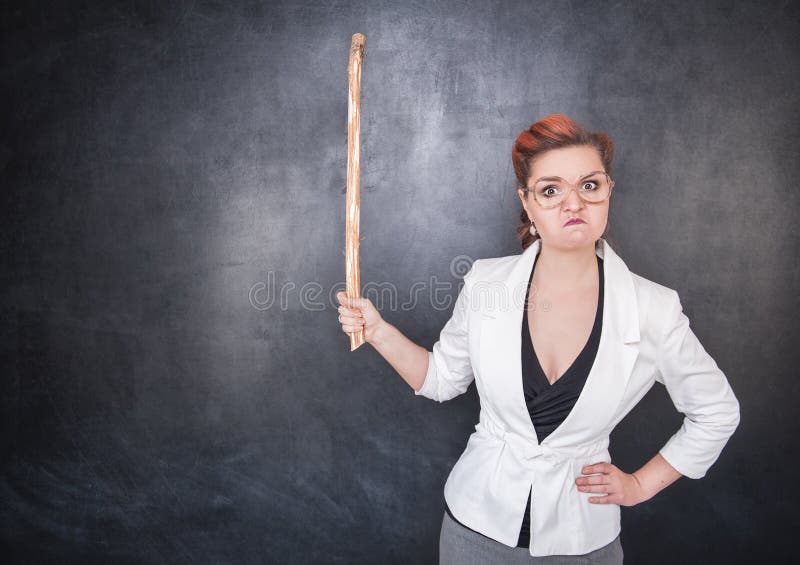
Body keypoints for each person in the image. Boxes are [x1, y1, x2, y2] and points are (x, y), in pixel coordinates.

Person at [335, 114, 740, 564]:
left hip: (584, 542)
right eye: (550, 190)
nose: (574, 204)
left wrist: (641, 484)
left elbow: (717, 411)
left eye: (589, 186)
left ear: (608, 192)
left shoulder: (654, 309)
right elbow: (442, 379)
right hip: (475, 534)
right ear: (526, 202)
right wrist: (377, 332)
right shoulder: (486, 284)